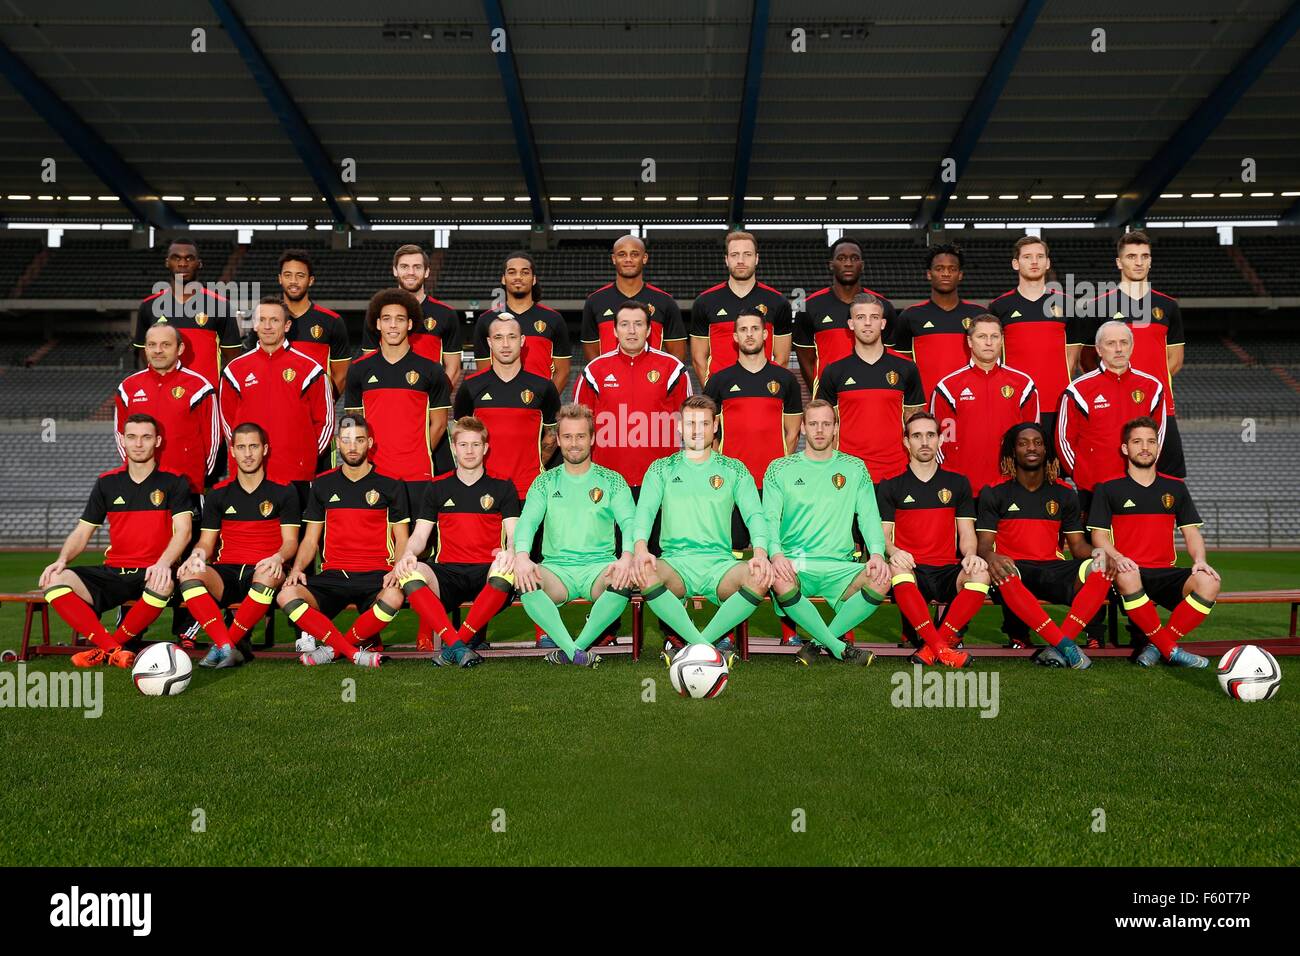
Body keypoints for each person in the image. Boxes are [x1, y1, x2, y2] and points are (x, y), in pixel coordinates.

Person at [38, 414, 193, 669]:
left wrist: (164, 563)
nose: (139, 444)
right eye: (131, 437)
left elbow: (184, 532)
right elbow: (82, 532)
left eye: (146, 437)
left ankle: (104, 649)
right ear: (122, 440)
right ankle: (112, 649)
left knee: (163, 584)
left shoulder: (173, 481)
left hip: (153, 571)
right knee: (55, 579)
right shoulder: (107, 483)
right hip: (115, 572)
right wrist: (61, 560)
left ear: (158, 440)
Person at [632, 396, 773, 665]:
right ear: (679, 427)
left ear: (716, 425)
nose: (697, 430)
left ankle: (694, 643)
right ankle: (709, 645)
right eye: (691, 423)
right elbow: (644, 513)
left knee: (759, 575)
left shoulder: (734, 469)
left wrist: (760, 552)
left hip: (720, 565)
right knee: (644, 570)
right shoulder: (661, 468)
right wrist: (640, 550)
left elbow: (755, 515)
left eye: (704, 423)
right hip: (675, 564)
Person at [763, 400, 891, 666]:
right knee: (778, 578)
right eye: (813, 424)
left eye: (826, 424)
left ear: (835, 428)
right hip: (796, 564)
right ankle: (837, 646)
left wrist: (877, 554)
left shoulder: (855, 468)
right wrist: (775, 555)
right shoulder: (779, 468)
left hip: (841, 566)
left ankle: (819, 643)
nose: (819, 430)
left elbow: (868, 517)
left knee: (881, 577)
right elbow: (769, 519)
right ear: (804, 429)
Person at [976, 423, 1114, 667]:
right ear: (1012, 451)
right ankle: (1064, 646)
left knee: (1101, 568)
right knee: (1005, 572)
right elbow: (983, 546)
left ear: (1047, 450)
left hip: (1052, 568)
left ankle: (1058, 645)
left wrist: (1098, 553)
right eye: (1023, 443)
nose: (1032, 447)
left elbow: (1078, 545)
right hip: (1015, 570)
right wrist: (991, 556)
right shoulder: (994, 491)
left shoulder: (1064, 493)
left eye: (1038, 442)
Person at [511, 404, 639, 666]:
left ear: (592, 438)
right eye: (567, 437)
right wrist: (521, 556)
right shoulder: (545, 482)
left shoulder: (612, 480)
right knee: (524, 576)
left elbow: (630, 523)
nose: (574, 443)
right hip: (557, 571)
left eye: (581, 436)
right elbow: (528, 522)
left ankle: (573, 649)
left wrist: (627, 557)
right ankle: (575, 651)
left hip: (598, 570)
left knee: (623, 578)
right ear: (558, 440)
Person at [278, 416, 409, 668]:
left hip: (377, 574)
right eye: (346, 441)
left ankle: (333, 650)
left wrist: (396, 569)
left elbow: (402, 539)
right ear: (338, 443)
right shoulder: (323, 484)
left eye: (359, 440)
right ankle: (353, 651)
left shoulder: (391, 485)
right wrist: (295, 569)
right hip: (333, 575)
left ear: (369, 443)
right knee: (286, 595)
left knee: (394, 597)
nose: (352, 447)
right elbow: (310, 540)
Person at [388, 416, 521, 664]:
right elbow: (419, 535)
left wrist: (511, 551)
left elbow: (514, 535)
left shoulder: (503, 487)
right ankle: (459, 645)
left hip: (487, 572)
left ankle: (453, 646)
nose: (469, 451)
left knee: (506, 569)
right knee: (410, 571)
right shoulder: (437, 487)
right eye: (463, 445)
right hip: (448, 573)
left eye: (475, 445)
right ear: (453, 447)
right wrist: (408, 554)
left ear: (486, 448)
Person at [1088, 417, 1219, 668]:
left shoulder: (1176, 488)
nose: (1145, 447)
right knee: (1128, 574)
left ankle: (1156, 646)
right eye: (1137, 442)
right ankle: (1170, 649)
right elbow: (1099, 537)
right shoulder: (1108, 488)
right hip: (1127, 572)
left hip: (1164, 572)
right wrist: (1117, 557)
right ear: (1125, 448)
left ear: (1158, 447)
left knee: (1209, 581)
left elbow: (1191, 533)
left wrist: (1200, 561)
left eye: (1151, 441)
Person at [177, 422, 300, 668]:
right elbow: (206, 542)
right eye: (241, 447)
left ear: (265, 449)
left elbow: (290, 542)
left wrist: (277, 558)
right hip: (227, 572)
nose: (247, 454)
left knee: (266, 573)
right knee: (189, 572)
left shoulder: (284, 490)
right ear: (232, 451)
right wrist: (197, 555)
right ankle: (227, 646)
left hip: (266, 568)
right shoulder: (218, 494)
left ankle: (224, 646)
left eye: (253, 446)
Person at [877, 412, 990, 668]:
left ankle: (930, 648)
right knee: (897, 567)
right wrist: (893, 550)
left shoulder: (958, 483)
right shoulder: (891, 486)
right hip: (913, 569)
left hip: (948, 570)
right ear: (906, 442)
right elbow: (883, 537)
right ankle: (942, 647)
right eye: (917, 436)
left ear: (940, 439)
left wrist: (971, 555)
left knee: (980, 575)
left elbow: (967, 535)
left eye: (930, 435)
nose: (924, 442)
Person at [1085, 230, 1187, 476]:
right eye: (1131, 256)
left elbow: (1175, 360)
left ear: (1151, 260)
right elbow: (1088, 360)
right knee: (1111, 477)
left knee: (1167, 479)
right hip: (1113, 406)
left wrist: (1144, 389)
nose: (1139, 262)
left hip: (1158, 405)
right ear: (1119, 262)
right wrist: (1118, 388)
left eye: (1144, 256)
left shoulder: (1167, 306)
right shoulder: (1097, 305)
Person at [345, 288, 452, 516]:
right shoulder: (359, 369)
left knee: (419, 546)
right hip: (373, 470)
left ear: (410, 325)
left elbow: (440, 423)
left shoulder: (431, 370)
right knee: (375, 543)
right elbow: (353, 424)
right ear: (377, 324)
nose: (393, 325)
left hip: (417, 472)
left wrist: (417, 453)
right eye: (387, 319)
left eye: (400, 319)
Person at [219, 297, 334, 507]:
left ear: (287, 325)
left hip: (296, 474)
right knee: (249, 536)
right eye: (262, 320)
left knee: (298, 538)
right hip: (249, 473)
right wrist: (246, 455)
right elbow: (226, 422)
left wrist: (304, 455)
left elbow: (325, 421)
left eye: (275, 320)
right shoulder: (234, 370)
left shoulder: (311, 369)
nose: (268, 326)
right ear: (254, 324)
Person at [573, 299, 690, 490]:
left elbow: (690, 426)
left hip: (661, 482)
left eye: (638, 324)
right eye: (624, 324)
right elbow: (577, 427)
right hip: (606, 482)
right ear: (614, 331)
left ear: (649, 330)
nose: (632, 331)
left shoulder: (673, 369)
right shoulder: (594, 371)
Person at [1057, 320, 1166, 520]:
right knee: (1095, 549)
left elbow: (1158, 436)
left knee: (1135, 547)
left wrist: (1144, 472)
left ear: (1132, 347)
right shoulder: (1078, 390)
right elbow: (1064, 439)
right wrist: (1083, 475)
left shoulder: (1152, 387)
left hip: (1137, 483)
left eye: (1124, 342)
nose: (1118, 349)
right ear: (1099, 349)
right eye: (1111, 343)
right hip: (1093, 488)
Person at [813, 293, 925, 482]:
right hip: (848, 473)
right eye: (860, 317)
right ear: (850, 324)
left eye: (874, 317)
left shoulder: (906, 368)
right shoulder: (834, 370)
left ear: (883, 323)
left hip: (896, 472)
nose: (867, 323)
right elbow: (825, 426)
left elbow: (915, 424)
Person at [988, 235, 1084, 453]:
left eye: (1040, 256)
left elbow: (1072, 358)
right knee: (1012, 465)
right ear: (1015, 263)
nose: (1034, 261)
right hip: (1014, 402)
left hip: (1057, 403)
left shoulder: (1067, 304)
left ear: (1048, 262)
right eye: (1027, 257)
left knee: (1055, 470)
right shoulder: (999, 307)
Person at [454, 312, 561, 502]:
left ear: (522, 341)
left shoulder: (543, 387)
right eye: (498, 337)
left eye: (511, 337)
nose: (505, 344)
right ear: (489, 342)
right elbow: (460, 437)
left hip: (530, 491)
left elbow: (552, 436)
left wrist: (535, 466)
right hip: (483, 491)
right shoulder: (471, 387)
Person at [929, 314, 1039, 499]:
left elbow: (1032, 439)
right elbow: (940, 439)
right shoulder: (948, 387)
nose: (988, 342)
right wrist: (949, 477)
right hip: (963, 488)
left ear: (1002, 340)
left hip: (1011, 485)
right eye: (981, 337)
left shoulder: (1023, 384)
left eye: (994, 337)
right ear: (970, 341)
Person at [115, 323, 219, 498]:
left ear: (180, 348)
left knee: (186, 527)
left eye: (166, 344)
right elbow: (121, 436)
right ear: (145, 348)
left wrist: (195, 476)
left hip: (187, 486)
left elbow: (212, 442)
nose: (158, 350)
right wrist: (136, 469)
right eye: (152, 345)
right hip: (141, 485)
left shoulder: (200, 387)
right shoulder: (128, 387)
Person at [134, 236, 242, 388]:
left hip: (205, 400)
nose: (183, 263)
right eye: (176, 258)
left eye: (189, 258)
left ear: (199, 264)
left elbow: (233, 359)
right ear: (167, 262)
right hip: (163, 397)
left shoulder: (221, 305)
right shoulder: (148, 306)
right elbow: (143, 354)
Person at [793, 237, 897, 391]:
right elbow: (805, 359)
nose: (848, 263)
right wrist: (821, 395)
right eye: (841, 258)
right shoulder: (809, 306)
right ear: (831, 265)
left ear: (862, 265)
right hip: (829, 400)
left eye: (854, 258)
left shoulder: (883, 307)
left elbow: (891, 358)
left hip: (873, 392)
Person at [690, 230, 792, 383]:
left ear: (757, 258)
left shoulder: (778, 302)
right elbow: (698, 359)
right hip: (721, 397)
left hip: (763, 394)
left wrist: (770, 391)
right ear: (726, 259)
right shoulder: (704, 302)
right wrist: (713, 394)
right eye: (734, 255)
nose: (741, 260)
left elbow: (782, 358)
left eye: (747, 254)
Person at [360, 243, 463, 388]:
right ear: (395, 270)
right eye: (404, 267)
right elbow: (368, 364)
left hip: (428, 403)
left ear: (427, 271)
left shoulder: (445, 314)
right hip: (389, 400)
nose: (411, 272)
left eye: (417, 267)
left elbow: (453, 369)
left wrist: (436, 400)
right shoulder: (377, 311)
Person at [891, 243, 986, 400]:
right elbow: (901, 369)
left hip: (972, 402)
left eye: (952, 269)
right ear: (929, 274)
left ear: (960, 274)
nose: (946, 273)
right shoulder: (910, 316)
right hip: (926, 408)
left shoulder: (979, 315)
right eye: (939, 269)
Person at [472, 251, 570, 395]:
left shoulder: (553, 319)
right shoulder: (486, 320)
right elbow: (484, 372)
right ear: (503, 279)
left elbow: (563, 372)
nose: (518, 277)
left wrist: (546, 403)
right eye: (512, 272)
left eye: (524, 272)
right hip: (501, 405)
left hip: (540, 409)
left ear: (534, 279)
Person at [580, 234, 688, 361]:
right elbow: (591, 355)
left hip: (652, 379)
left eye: (635, 254)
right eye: (622, 254)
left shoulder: (665, 301)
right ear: (614, 259)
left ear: (645, 258)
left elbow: (677, 355)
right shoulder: (595, 301)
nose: (628, 259)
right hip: (611, 380)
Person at [278, 248, 350, 398]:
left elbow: (341, 375)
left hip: (314, 415)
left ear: (311, 280)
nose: (293, 281)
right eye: (287, 275)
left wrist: (323, 407)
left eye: (300, 276)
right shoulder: (266, 321)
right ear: (280, 278)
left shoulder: (332, 321)